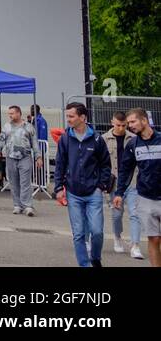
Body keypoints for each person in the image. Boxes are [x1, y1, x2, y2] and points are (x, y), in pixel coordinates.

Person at [55, 102, 112, 267]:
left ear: (83, 117)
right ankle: (84, 264)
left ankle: (95, 258)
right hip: (73, 193)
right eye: (67, 116)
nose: (68, 119)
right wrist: (59, 187)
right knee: (79, 234)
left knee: (97, 232)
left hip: (93, 192)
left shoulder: (96, 139)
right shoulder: (65, 139)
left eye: (71, 116)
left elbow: (105, 165)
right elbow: (60, 164)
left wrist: (101, 185)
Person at [114, 108, 160, 266]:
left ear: (145, 120)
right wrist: (119, 193)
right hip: (145, 197)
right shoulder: (133, 144)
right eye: (128, 123)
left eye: (133, 122)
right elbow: (126, 170)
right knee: (154, 238)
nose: (130, 126)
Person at [105, 111, 142, 258]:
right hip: (114, 182)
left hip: (132, 180)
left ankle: (135, 245)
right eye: (118, 125)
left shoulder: (134, 138)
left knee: (135, 213)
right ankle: (117, 236)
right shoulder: (104, 139)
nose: (121, 128)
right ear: (112, 122)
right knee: (116, 214)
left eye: (124, 125)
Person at [0, 104, 38, 217]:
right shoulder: (6, 126)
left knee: (25, 182)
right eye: (9, 114)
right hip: (10, 158)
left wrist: (38, 157)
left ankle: (27, 206)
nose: (10, 115)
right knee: (13, 182)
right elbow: (1, 140)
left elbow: (34, 143)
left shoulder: (29, 127)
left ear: (19, 113)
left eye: (12, 113)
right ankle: (17, 205)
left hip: (25, 158)